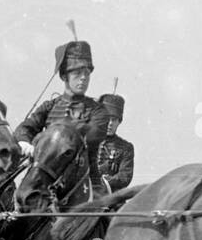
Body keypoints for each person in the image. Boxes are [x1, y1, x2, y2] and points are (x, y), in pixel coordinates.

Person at [14, 39, 110, 189]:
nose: (84, 78)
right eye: (78, 73)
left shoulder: (99, 111)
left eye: (87, 73)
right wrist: (25, 143)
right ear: (65, 76)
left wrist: (41, 139)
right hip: (45, 178)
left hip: (86, 181)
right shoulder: (49, 106)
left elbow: (91, 135)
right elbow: (25, 128)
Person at [97, 93, 135, 192]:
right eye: (107, 119)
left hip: (110, 196)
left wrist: (105, 182)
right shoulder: (86, 142)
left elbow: (125, 177)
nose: (110, 124)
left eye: (114, 120)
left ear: (119, 121)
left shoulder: (126, 148)